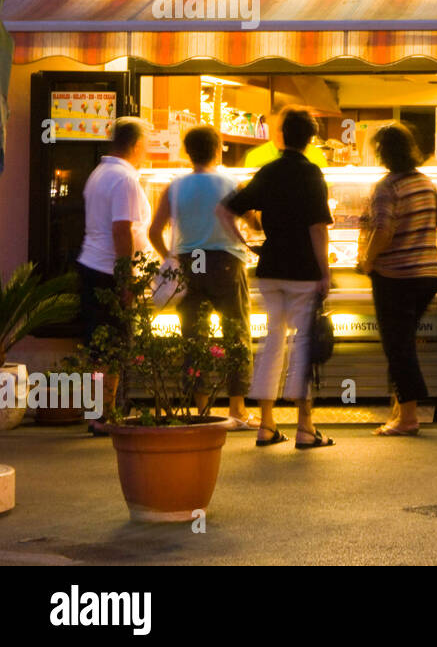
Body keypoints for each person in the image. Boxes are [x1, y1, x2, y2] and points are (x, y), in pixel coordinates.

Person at [219, 108, 335, 449]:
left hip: (270, 268)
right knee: (302, 345)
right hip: (302, 270)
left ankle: (266, 425)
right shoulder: (312, 173)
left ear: (282, 135)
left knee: (272, 342)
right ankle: (304, 427)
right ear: (311, 138)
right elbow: (317, 228)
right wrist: (324, 271)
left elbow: (226, 210)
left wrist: (249, 246)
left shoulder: (268, 171)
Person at [147, 124, 257, 430]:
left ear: (187, 151)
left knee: (194, 338)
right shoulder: (231, 182)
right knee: (235, 334)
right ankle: (238, 409)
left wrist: (168, 257)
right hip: (226, 262)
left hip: (188, 263)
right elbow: (254, 223)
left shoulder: (175, 186)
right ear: (219, 147)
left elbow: (154, 231)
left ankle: (201, 410)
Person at [358, 124, 437, 436]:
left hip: (396, 276)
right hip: (427, 274)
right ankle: (400, 410)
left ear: (383, 152)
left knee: (398, 347)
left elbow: (383, 230)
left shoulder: (387, 187)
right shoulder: (425, 182)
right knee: (404, 343)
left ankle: (408, 417)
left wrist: (368, 261)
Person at [77, 117, 154, 434]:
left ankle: (98, 413)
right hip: (110, 270)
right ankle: (104, 414)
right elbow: (122, 230)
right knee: (113, 345)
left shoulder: (98, 173)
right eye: (146, 144)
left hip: (92, 264)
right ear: (136, 145)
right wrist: (127, 280)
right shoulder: (124, 179)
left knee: (99, 345)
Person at [243, 103, 328, 168]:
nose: (277, 133)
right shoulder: (255, 156)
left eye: (281, 128)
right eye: (273, 128)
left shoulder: (316, 154)